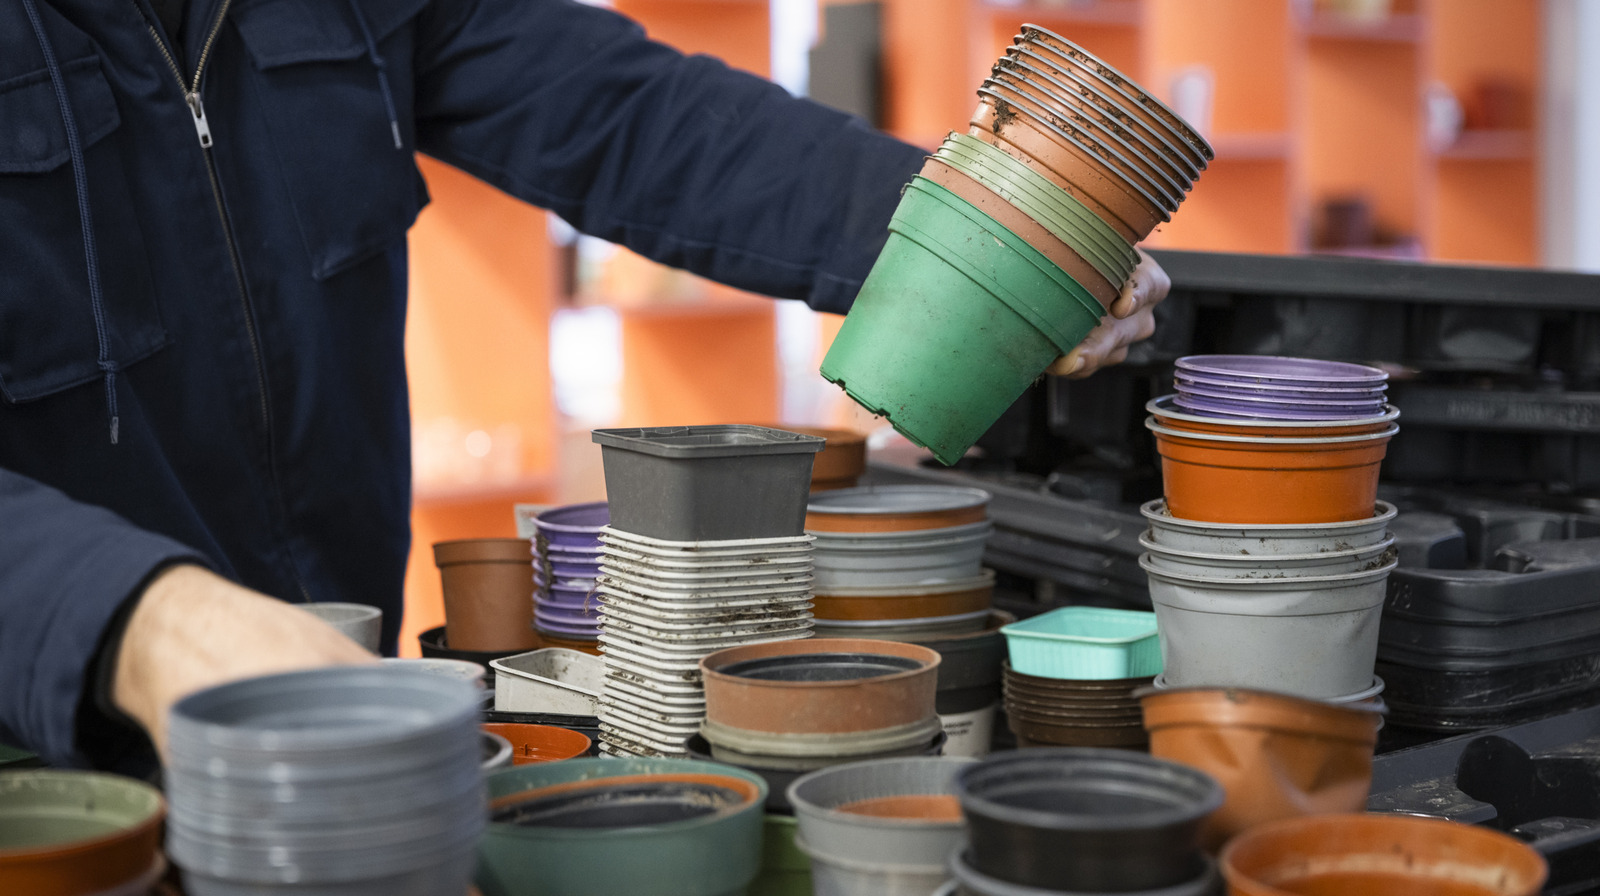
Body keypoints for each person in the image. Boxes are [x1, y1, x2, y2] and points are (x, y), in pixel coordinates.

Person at [0, 0, 1171, 773]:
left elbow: (625, 115)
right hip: (50, 742)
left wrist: (967, 239)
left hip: (341, 715)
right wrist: (138, 617)